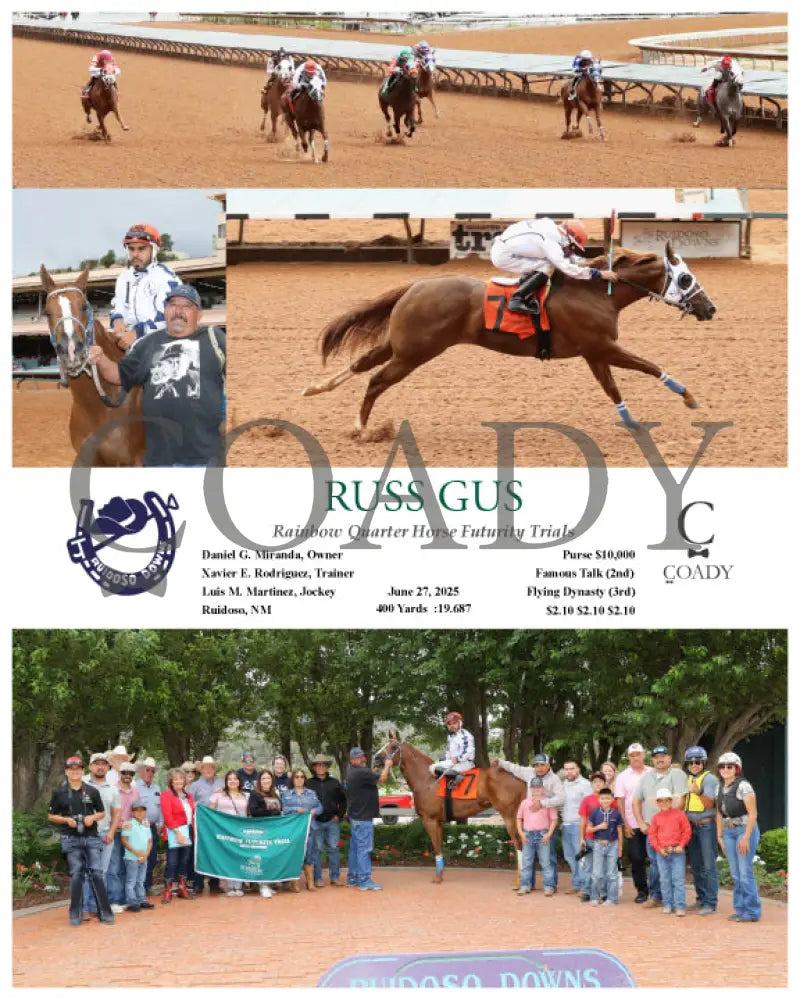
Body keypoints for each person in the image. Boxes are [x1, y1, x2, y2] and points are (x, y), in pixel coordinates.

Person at [88, 283, 226, 468]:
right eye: (173, 304)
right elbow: (119, 375)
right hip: (159, 461)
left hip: (204, 459)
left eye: (186, 306)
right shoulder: (148, 344)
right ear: (165, 311)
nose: (178, 311)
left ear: (199, 314)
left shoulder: (214, 338)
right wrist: (101, 359)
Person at [490, 217, 618, 327]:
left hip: (506, 246)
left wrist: (584, 262)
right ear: (568, 240)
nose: (571, 251)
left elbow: (565, 257)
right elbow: (565, 267)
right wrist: (598, 274)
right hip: (504, 256)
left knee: (545, 264)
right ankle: (517, 299)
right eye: (573, 248)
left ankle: (526, 289)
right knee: (547, 267)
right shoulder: (551, 243)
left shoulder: (552, 228)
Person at [48, 755, 114, 926]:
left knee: (97, 873)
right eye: (71, 769)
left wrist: (92, 818)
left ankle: (105, 913)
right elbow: (51, 815)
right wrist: (66, 820)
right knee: (76, 873)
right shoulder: (59, 792)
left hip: (91, 837)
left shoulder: (92, 791)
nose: (75, 772)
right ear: (66, 772)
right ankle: (75, 914)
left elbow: (102, 812)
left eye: (78, 769)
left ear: (82, 771)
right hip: (70, 839)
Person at [493, 752, 565, 890]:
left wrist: (543, 803)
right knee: (528, 858)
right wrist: (500, 762)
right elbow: (515, 768)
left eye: (542, 765)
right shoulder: (530, 772)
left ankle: (551, 884)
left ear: (548, 765)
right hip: (530, 824)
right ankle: (528, 884)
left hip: (547, 823)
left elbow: (561, 798)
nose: (539, 767)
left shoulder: (554, 780)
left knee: (548, 857)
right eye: (537, 765)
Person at [632, 745, 689, 909]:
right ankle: (657, 897)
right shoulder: (645, 777)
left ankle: (674, 902)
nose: (660, 759)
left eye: (663, 756)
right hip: (653, 830)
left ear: (669, 758)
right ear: (653, 760)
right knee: (656, 864)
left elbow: (681, 801)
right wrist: (641, 823)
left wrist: (669, 821)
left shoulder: (677, 774)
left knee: (675, 868)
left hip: (673, 832)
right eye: (656, 757)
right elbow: (636, 801)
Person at [108, 224, 180, 352]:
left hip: (160, 343)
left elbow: (168, 319)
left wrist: (137, 332)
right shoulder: (124, 277)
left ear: (154, 250)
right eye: (131, 249)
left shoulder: (166, 278)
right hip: (128, 339)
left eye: (141, 249)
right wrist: (117, 320)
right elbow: (117, 306)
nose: (135, 254)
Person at [715, 752, 761, 922]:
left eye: (730, 766)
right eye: (722, 766)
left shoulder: (744, 786)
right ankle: (740, 909)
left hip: (744, 830)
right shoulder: (718, 787)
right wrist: (719, 836)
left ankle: (752, 911)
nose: (726, 769)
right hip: (729, 832)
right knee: (735, 874)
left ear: (736, 768)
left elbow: (753, 814)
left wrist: (746, 837)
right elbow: (719, 814)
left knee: (744, 872)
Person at [345, 748, 393, 890]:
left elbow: (370, 776)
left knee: (354, 849)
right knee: (364, 849)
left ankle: (352, 878)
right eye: (358, 758)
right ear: (352, 760)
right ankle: (364, 881)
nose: (361, 759)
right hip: (364, 818)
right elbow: (382, 778)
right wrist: (388, 765)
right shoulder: (362, 772)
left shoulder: (351, 771)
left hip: (356, 817)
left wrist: (374, 770)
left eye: (362, 756)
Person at [82, 752, 123, 915]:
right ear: (90, 766)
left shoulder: (112, 789)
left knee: (101, 873)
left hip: (105, 835)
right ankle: (84, 908)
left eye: (103, 764)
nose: (100, 767)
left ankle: (97, 906)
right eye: (96, 763)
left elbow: (116, 813)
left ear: (107, 767)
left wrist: (112, 833)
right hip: (86, 835)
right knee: (86, 873)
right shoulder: (81, 784)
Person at [615, 742, 653, 904]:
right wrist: (625, 824)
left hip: (653, 823)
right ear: (628, 757)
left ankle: (658, 891)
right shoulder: (622, 777)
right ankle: (642, 891)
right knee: (637, 858)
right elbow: (620, 802)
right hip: (632, 824)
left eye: (638, 754)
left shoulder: (653, 773)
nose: (635, 757)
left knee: (655, 858)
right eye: (632, 755)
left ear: (643, 755)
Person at [683, 746, 719, 916]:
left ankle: (710, 903)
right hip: (692, 826)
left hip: (706, 826)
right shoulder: (688, 778)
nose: (694, 765)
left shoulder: (709, 779)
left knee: (708, 865)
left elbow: (710, 804)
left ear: (703, 762)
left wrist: (698, 791)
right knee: (696, 866)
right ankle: (701, 899)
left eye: (697, 761)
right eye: (691, 762)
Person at [648, 787, 692, 915]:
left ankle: (680, 906)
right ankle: (667, 903)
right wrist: (659, 849)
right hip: (662, 852)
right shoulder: (656, 818)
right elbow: (652, 835)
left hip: (677, 851)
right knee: (665, 879)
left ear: (671, 801)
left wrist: (681, 845)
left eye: (667, 800)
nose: (664, 803)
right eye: (660, 801)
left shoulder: (680, 814)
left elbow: (686, 831)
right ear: (657, 803)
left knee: (678, 879)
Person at [307, 753, 348, 888]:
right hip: (316, 821)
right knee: (317, 850)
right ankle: (318, 878)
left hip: (332, 821)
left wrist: (339, 815)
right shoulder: (309, 783)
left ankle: (335, 877)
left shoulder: (334, 782)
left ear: (326, 767)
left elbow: (343, 800)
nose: (320, 767)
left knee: (333, 849)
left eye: (323, 765)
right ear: (314, 767)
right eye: (318, 765)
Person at [209, 771, 250, 897]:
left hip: (241, 831)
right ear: (226, 782)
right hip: (224, 831)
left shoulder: (246, 795)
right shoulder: (218, 795)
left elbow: (250, 813)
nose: (232, 781)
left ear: (239, 781)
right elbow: (210, 812)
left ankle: (239, 886)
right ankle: (231, 886)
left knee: (240, 857)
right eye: (230, 779)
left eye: (235, 779)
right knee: (228, 857)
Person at [281, 768, 323, 891]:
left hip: (310, 828)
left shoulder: (311, 793)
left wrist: (316, 811)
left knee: (309, 854)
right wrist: (296, 809)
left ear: (304, 779)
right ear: (293, 779)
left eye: (302, 777)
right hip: (293, 830)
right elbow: (284, 809)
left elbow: (320, 806)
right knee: (295, 854)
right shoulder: (286, 794)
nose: (299, 779)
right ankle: (295, 882)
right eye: (297, 777)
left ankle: (310, 882)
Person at [516, 777, 558, 896]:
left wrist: (549, 835)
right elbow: (519, 818)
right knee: (527, 862)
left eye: (538, 788)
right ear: (530, 789)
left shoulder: (548, 802)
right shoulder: (525, 802)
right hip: (528, 835)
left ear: (542, 788)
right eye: (534, 788)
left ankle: (549, 886)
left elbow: (554, 820)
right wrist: (521, 833)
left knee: (546, 863)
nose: (536, 790)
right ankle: (525, 885)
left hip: (542, 835)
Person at [160, 768, 196, 903]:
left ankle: (182, 888)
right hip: (173, 831)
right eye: (175, 779)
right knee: (172, 862)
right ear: (171, 781)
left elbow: (191, 814)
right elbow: (167, 816)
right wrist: (177, 833)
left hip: (187, 830)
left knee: (184, 861)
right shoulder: (166, 795)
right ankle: (168, 891)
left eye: (181, 778)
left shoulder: (189, 796)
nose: (179, 781)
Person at [189, 756, 223, 895]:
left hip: (217, 823)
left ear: (214, 769)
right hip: (201, 824)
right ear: (201, 770)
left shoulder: (221, 783)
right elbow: (189, 803)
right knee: (200, 851)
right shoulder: (195, 785)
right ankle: (198, 883)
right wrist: (195, 806)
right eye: (205, 767)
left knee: (216, 851)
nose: (208, 770)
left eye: (211, 767)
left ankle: (214, 883)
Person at [247, 770, 282, 898]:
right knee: (261, 857)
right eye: (263, 778)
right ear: (259, 781)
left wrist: (274, 812)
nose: (266, 781)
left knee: (271, 856)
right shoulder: (255, 794)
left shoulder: (275, 793)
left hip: (273, 830)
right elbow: (254, 811)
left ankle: (269, 884)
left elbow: (280, 809)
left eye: (268, 778)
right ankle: (262, 885)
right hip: (260, 830)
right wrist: (270, 812)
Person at [586, 787, 624, 906]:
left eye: (608, 798)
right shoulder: (595, 813)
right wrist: (599, 827)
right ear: (599, 800)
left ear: (612, 799)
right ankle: (595, 897)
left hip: (612, 845)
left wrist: (620, 849)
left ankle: (612, 899)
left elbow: (620, 832)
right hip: (598, 844)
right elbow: (588, 829)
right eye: (603, 798)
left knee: (612, 873)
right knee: (597, 873)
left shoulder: (616, 814)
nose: (605, 800)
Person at [559, 760, 592, 894]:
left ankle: (585, 887)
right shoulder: (563, 784)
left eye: (572, 769)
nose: (569, 772)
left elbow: (589, 808)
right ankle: (577, 883)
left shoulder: (585, 785)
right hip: (566, 825)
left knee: (581, 857)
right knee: (570, 857)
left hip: (579, 826)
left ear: (578, 769)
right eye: (566, 769)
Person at [134, 757, 162, 896]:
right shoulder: (134, 786)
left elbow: (160, 807)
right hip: (139, 827)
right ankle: (139, 887)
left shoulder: (157, 788)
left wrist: (160, 823)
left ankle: (148, 885)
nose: (150, 773)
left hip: (153, 827)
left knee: (152, 857)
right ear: (140, 771)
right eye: (147, 770)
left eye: (152, 770)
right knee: (140, 856)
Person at [577, 771, 606, 902]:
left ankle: (603, 892)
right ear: (591, 784)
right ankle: (587, 891)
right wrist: (581, 838)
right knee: (589, 866)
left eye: (600, 781)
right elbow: (583, 820)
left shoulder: (609, 798)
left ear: (605, 783)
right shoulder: (587, 800)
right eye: (594, 782)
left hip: (605, 839)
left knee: (604, 866)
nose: (597, 784)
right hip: (590, 838)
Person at [121, 802, 154, 912]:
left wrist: (147, 854)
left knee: (140, 880)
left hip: (143, 858)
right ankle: (132, 902)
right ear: (132, 812)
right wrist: (135, 852)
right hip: (131, 858)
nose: (140, 813)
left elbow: (150, 841)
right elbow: (124, 841)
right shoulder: (128, 824)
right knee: (131, 881)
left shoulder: (146, 824)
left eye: (142, 810)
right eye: (137, 810)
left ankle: (141, 900)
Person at [428, 711, 475, 787]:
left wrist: (458, 759)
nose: (452, 725)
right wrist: (443, 759)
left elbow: (468, 751)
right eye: (449, 724)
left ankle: (457, 776)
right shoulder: (451, 737)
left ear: (460, 723)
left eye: (454, 723)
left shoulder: (465, 735)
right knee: (432, 766)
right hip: (454, 762)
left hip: (464, 763)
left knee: (434, 768)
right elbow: (449, 753)